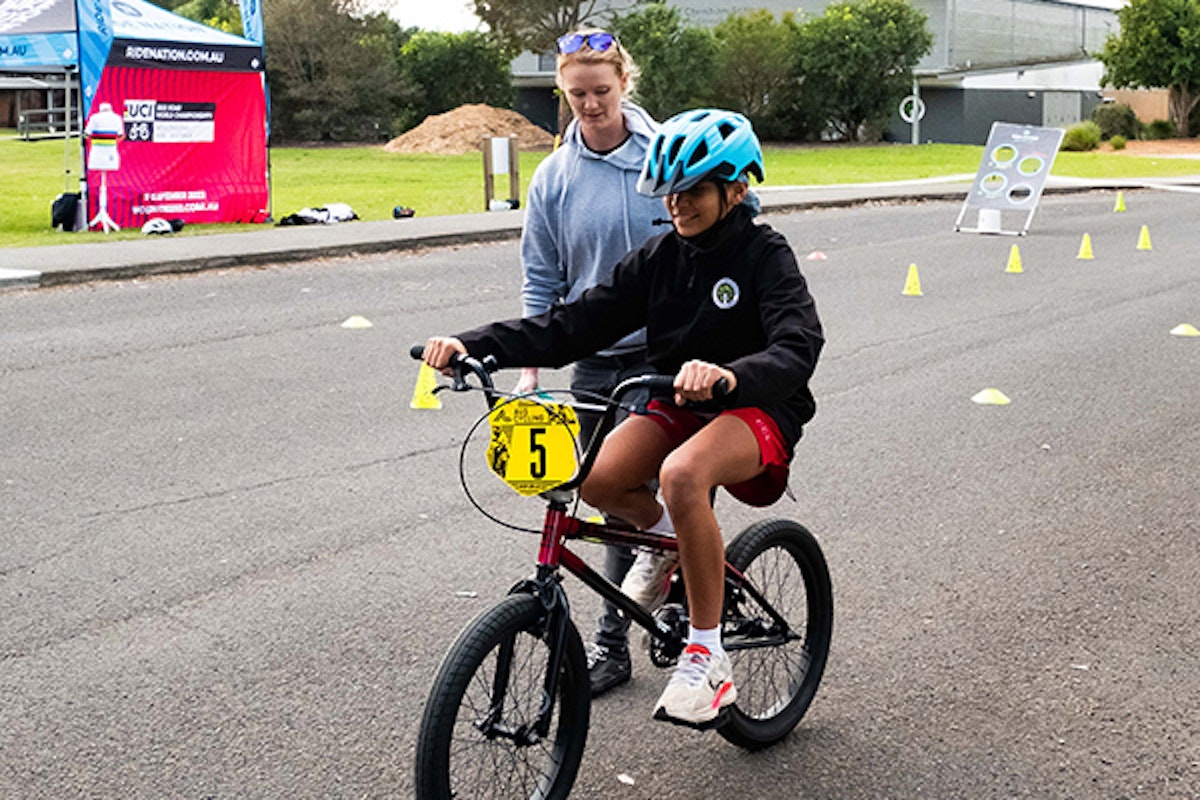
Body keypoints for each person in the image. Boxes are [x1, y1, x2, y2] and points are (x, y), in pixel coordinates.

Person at [422, 109, 824, 728]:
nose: (678, 206)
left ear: (736, 189)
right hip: (677, 401)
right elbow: (573, 325)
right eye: (669, 194)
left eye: (692, 191)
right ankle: (669, 544)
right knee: (596, 479)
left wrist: (732, 375)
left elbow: (798, 344)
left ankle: (707, 658)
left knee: (683, 474)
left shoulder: (765, 254)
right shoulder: (660, 257)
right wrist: (476, 344)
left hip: (756, 406)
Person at [516, 28, 664, 698]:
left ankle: (670, 601)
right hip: (594, 364)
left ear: (624, 84)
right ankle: (617, 646)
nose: (590, 105)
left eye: (601, 91)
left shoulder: (665, 153)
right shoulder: (554, 177)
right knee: (605, 503)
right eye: (577, 94)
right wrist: (528, 366)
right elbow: (541, 278)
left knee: (643, 487)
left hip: (666, 358)